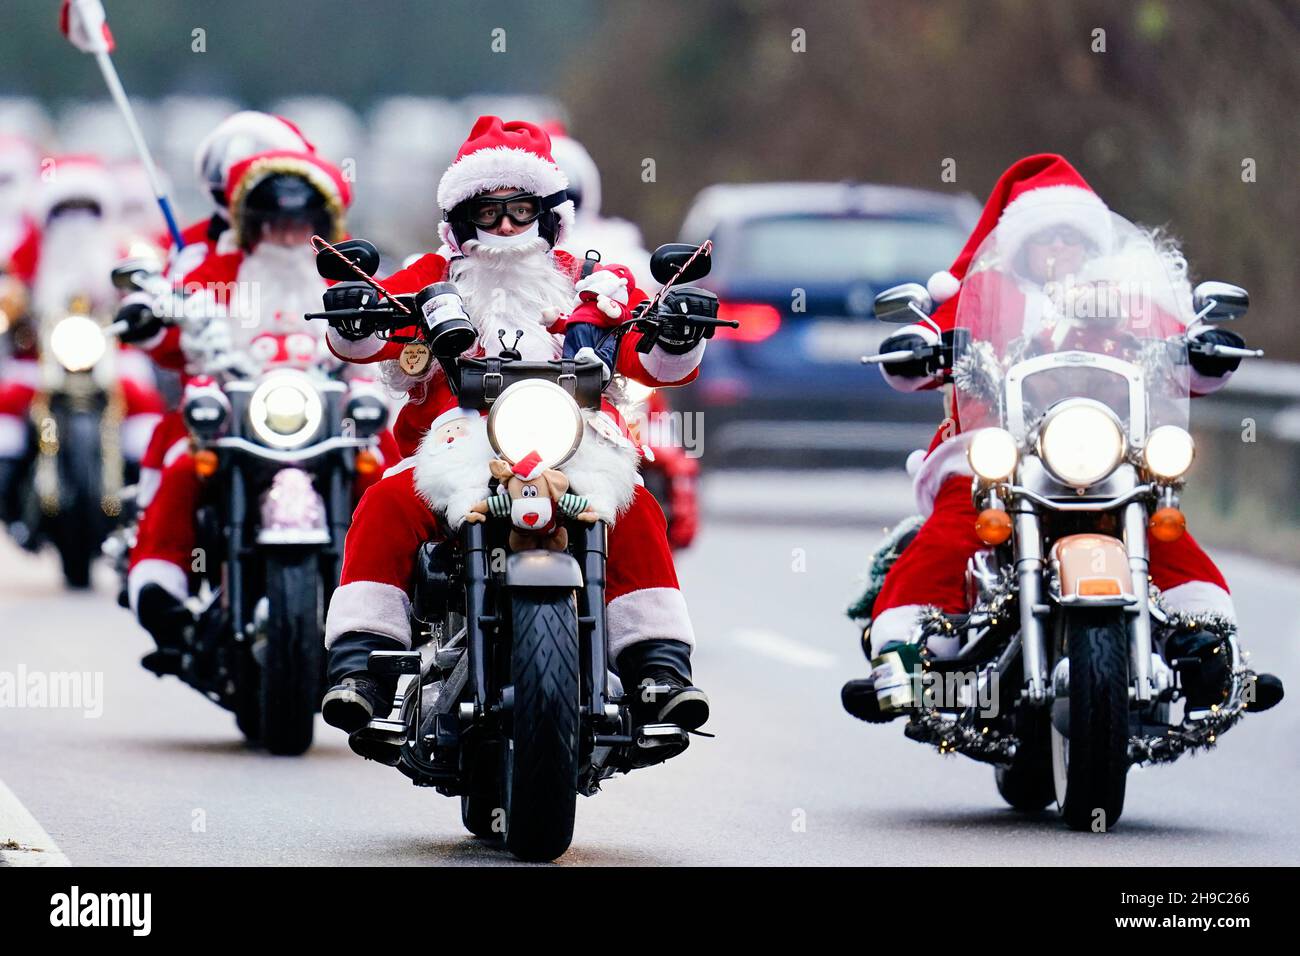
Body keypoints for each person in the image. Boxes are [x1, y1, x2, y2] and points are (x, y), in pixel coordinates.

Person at [842, 154, 1283, 720]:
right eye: (1046, 241)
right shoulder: (985, 292)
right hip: (1002, 449)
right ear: (1019, 246)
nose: (1059, 253)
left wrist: (1203, 350)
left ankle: (1206, 645)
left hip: (1105, 449)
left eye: (1070, 240)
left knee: (1157, 520)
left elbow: (1178, 347)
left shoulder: (1122, 293)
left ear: (1091, 247)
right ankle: (907, 655)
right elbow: (929, 336)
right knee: (956, 523)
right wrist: (916, 348)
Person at [317, 116, 711, 736]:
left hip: (573, 445)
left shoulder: (593, 282)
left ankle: (656, 664)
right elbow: (364, 342)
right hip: (451, 448)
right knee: (386, 500)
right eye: (487, 211)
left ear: (547, 214)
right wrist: (353, 309)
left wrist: (680, 328)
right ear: (460, 218)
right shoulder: (430, 276)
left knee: (635, 505)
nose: (504, 226)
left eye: (519, 209)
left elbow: (652, 359)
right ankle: (361, 664)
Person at [123, 149, 396, 675]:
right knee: (184, 462)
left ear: (323, 223)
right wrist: (152, 317)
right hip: (236, 410)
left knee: (385, 469)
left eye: (302, 222)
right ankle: (163, 587)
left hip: (330, 409)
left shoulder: (345, 274)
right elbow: (175, 319)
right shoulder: (218, 271)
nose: (288, 235)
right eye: (274, 221)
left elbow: (385, 320)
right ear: (251, 223)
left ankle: (395, 601)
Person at [0, 155, 163, 534]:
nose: (76, 221)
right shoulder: (29, 253)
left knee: (143, 400)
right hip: (41, 357)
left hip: (111, 355)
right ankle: (10, 494)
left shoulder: (121, 252)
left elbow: (148, 286)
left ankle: (142, 491)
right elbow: (10, 288)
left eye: (86, 210)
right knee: (8, 400)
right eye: (65, 211)